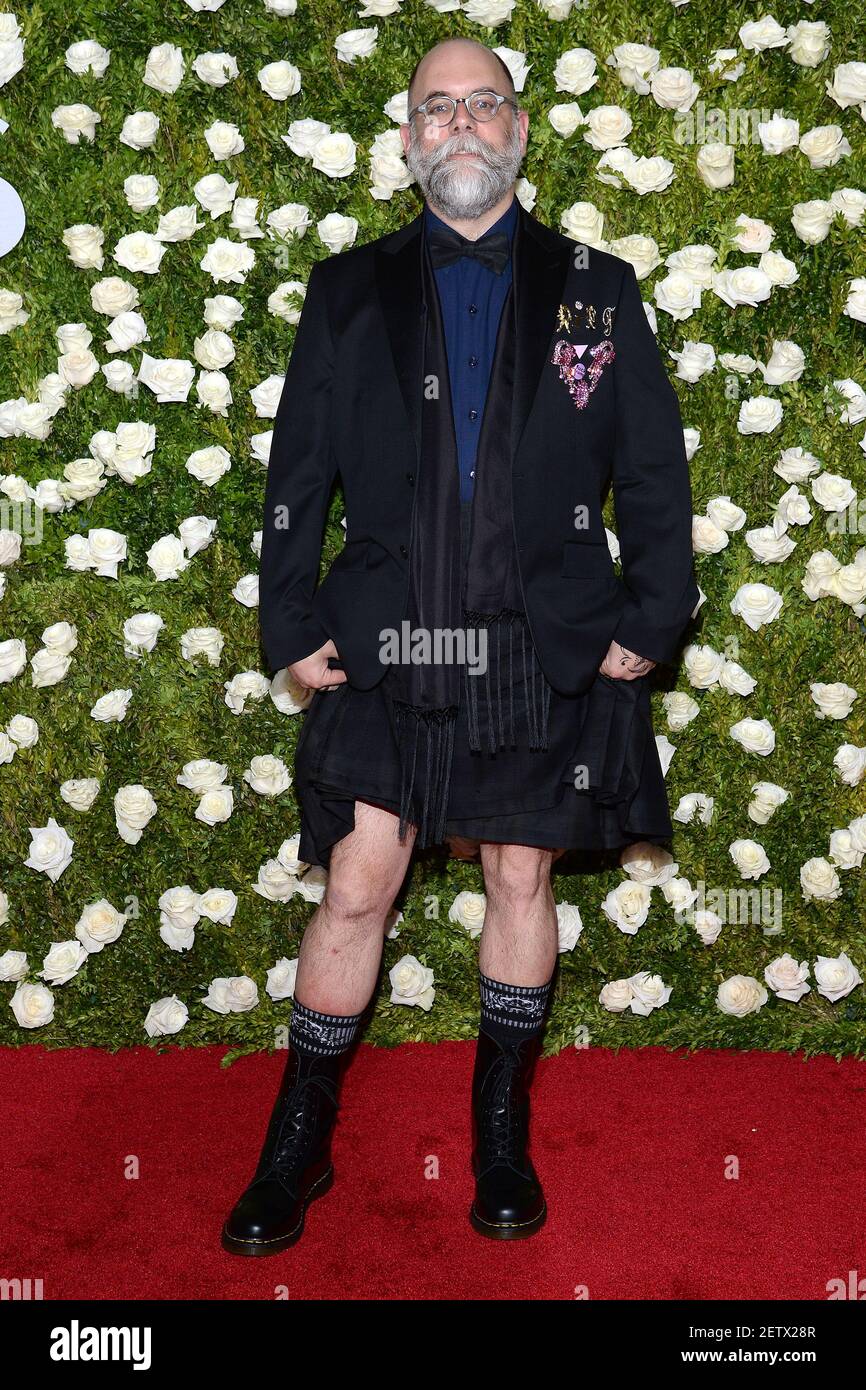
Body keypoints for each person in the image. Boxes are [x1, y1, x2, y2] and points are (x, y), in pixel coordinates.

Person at [221, 35, 700, 1256]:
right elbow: (296, 475)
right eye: (437, 108)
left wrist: (650, 617)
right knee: (355, 885)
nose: (462, 124)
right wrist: (289, 620)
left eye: (483, 103)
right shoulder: (345, 290)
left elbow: (650, 471)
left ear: (521, 131)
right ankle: (298, 1147)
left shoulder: (599, 287)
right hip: (389, 639)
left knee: (518, 879)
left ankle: (497, 1137)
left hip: (542, 642)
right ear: (405, 140)